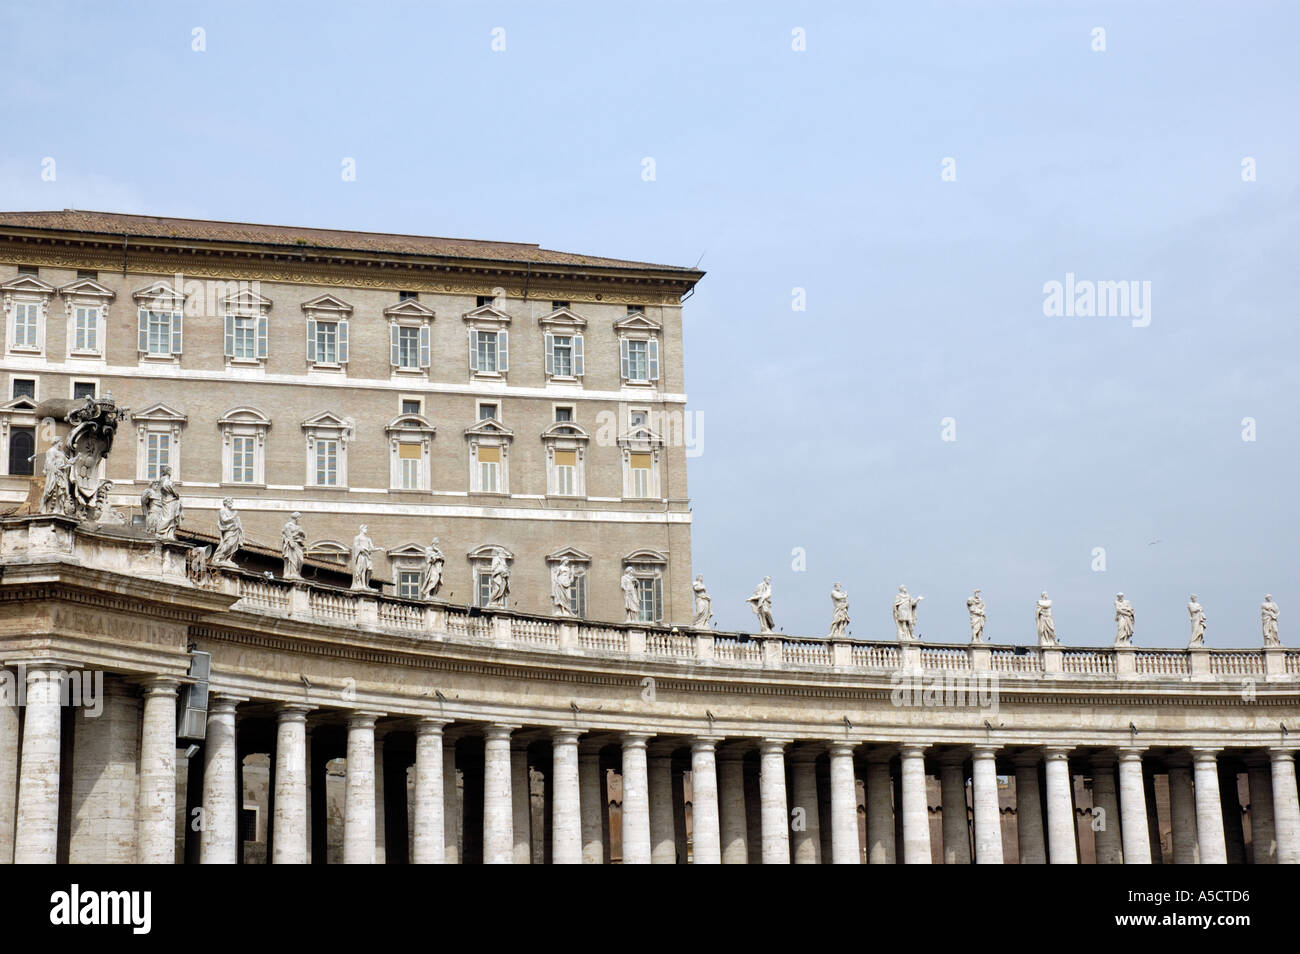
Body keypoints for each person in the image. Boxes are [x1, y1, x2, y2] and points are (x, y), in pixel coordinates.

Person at [211, 497, 243, 567]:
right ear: (225, 503)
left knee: (234, 545)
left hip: (235, 530)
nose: (231, 503)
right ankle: (218, 557)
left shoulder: (232, 512)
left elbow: (236, 521)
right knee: (228, 543)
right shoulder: (223, 510)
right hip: (228, 530)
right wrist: (233, 516)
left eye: (232, 501)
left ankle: (227, 559)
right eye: (229, 501)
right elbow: (224, 520)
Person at [282, 513, 306, 579]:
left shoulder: (298, 527)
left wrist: (302, 534)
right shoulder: (288, 525)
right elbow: (287, 535)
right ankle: (292, 573)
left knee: (300, 560)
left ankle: (297, 573)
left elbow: (304, 537)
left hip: (298, 545)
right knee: (293, 559)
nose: (300, 520)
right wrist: (291, 542)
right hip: (291, 545)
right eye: (300, 518)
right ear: (296, 518)